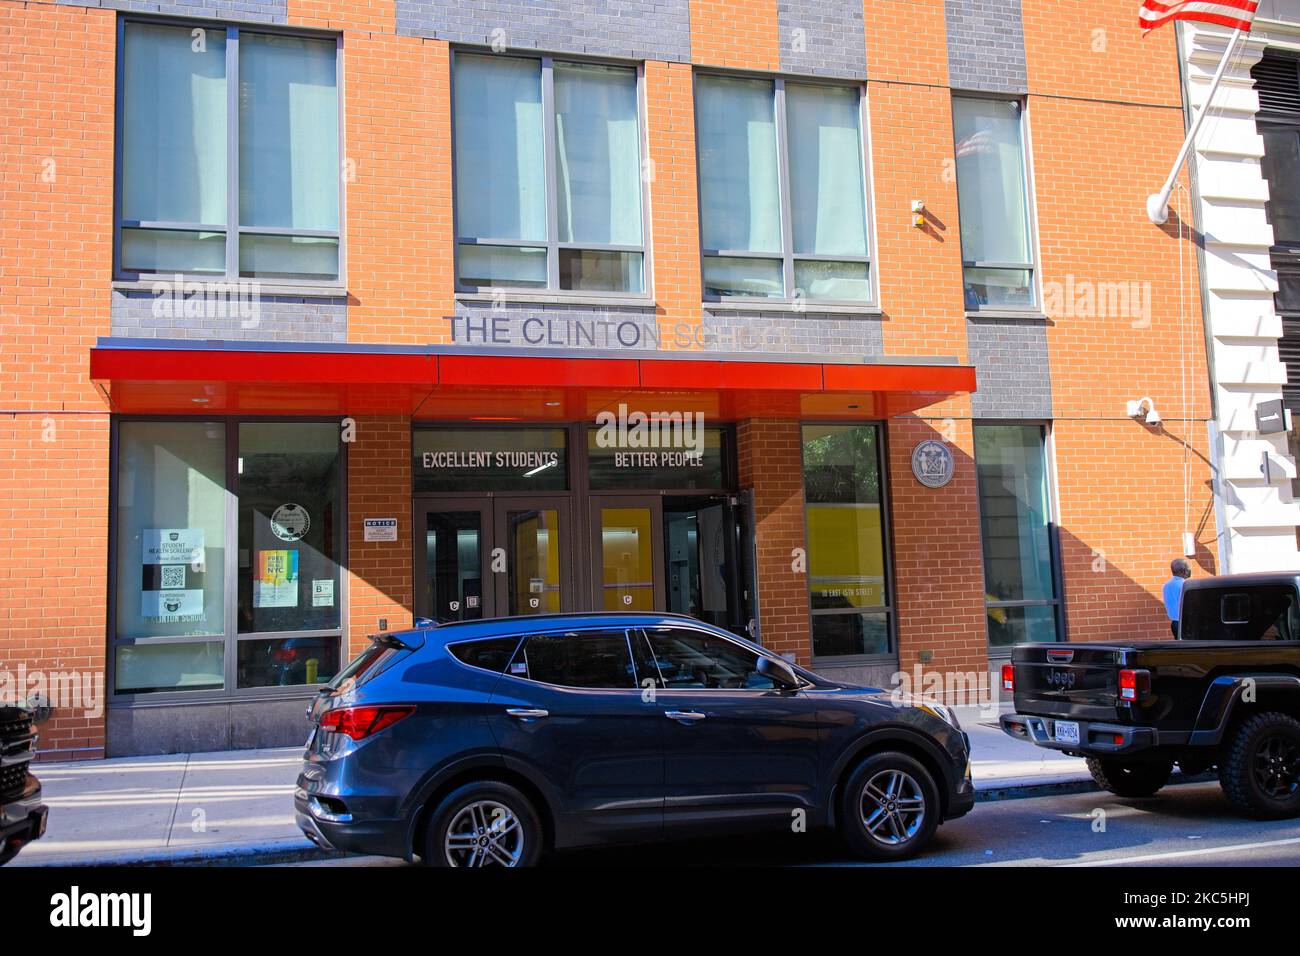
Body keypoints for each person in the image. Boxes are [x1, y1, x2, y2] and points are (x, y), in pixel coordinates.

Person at [1163, 557, 1191, 637]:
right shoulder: (1185, 584)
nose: (1189, 569)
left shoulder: (1166, 585)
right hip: (1185, 624)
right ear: (1183, 571)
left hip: (1174, 624)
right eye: (1187, 567)